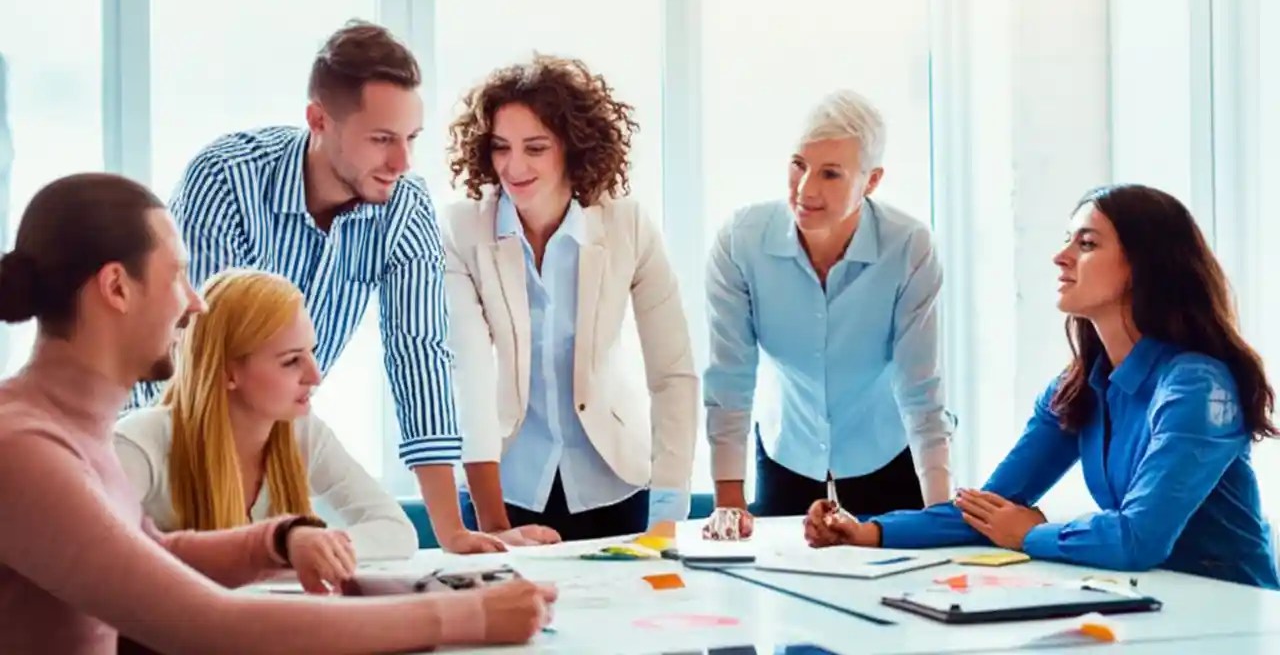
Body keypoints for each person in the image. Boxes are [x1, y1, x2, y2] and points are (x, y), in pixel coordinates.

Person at [0, 173, 557, 654]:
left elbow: (154, 553)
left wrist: (278, 540)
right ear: (116, 287)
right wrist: (471, 616)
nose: (194, 303)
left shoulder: (71, 430)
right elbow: (205, 626)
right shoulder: (23, 449)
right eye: (177, 276)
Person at [127, 20, 535, 553]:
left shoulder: (403, 207)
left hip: (262, 435)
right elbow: (202, 348)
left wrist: (453, 533)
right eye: (382, 139)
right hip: (166, 443)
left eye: (411, 139)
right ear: (319, 120)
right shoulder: (228, 178)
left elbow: (421, 356)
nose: (402, 163)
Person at [804, 184, 1280, 589]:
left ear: (1144, 266)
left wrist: (1031, 534)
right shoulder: (1078, 388)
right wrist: (864, 530)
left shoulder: (1197, 387)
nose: (1061, 256)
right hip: (1154, 601)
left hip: (1231, 611)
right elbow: (989, 512)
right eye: (1067, 240)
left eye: (1087, 244)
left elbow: (1138, 539)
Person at [443, 55, 698, 542]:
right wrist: (494, 529)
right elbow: (468, 376)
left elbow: (672, 374)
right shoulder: (462, 232)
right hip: (502, 483)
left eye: (535, 148)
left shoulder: (628, 226)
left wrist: (667, 515)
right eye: (500, 147)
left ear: (573, 150)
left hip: (614, 482)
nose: (513, 167)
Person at [702, 90, 953, 535]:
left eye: (831, 174)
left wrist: (941, 517)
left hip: (886, 454)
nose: (805, 189)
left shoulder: (909, 247)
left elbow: (921, 389)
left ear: (871, 181)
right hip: (787, 451)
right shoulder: (742, 242)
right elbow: (731, 377)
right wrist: (729, 502)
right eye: (799, 164)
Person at [115, 268, 418, 564]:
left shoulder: (303, 433)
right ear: (228, 372)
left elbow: (395, 530)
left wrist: (315, 547)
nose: (315, 376)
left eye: (311, 352)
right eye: (291, 361)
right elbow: (107, 555)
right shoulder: (140, 443)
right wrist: (282, 547)